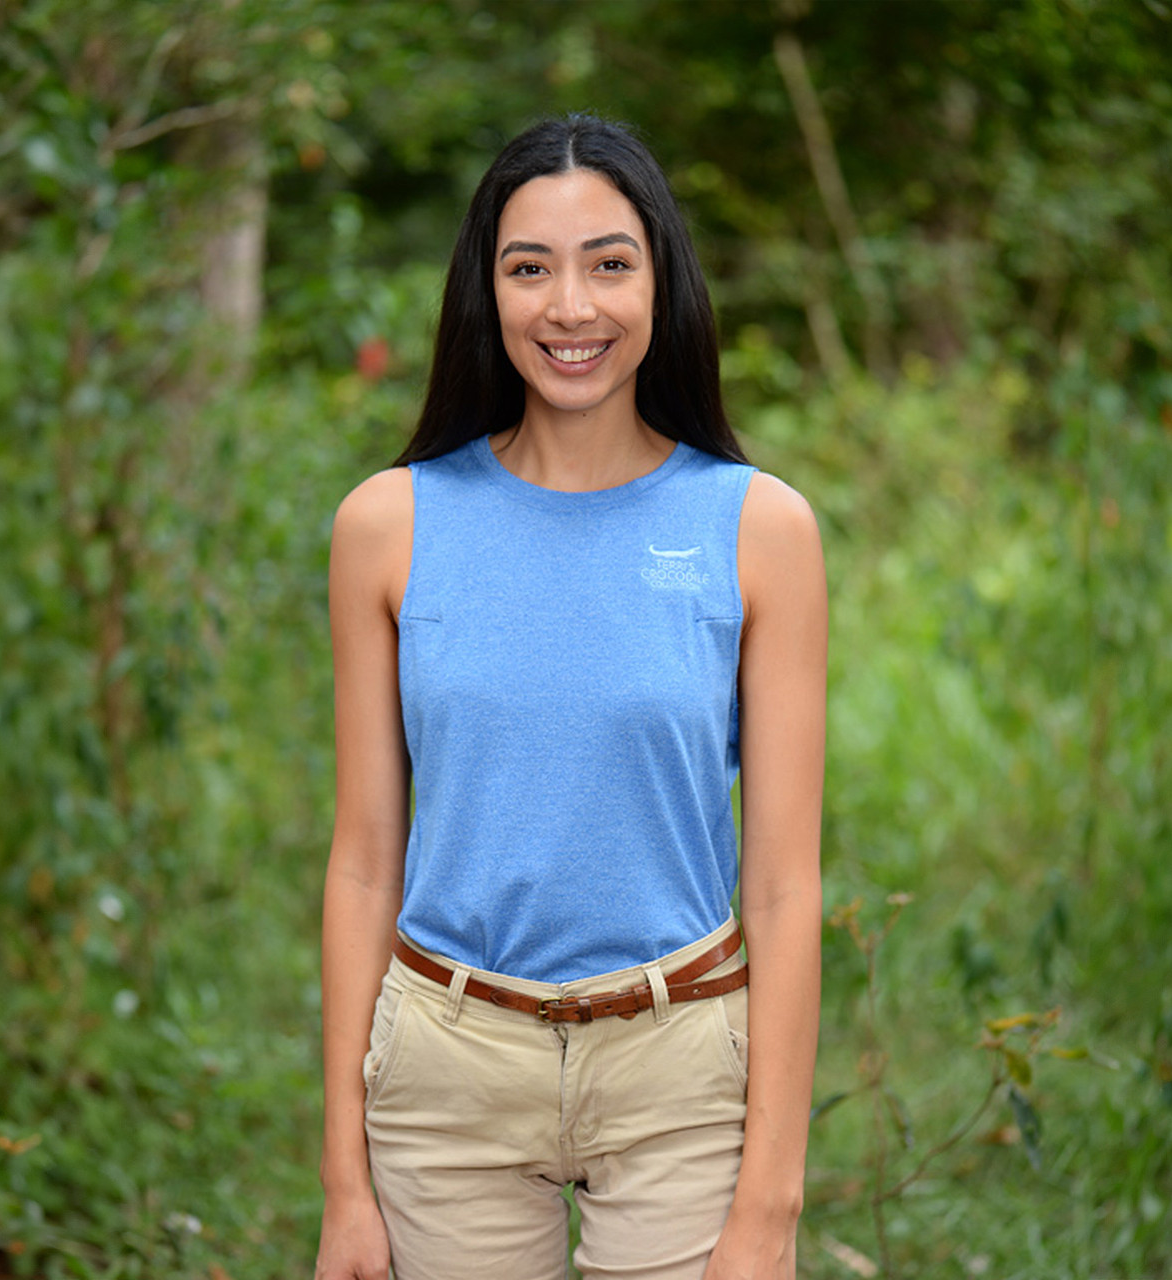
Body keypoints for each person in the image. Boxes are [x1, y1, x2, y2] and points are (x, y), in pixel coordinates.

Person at [314, 114, 826, 1280]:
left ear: (662, 282)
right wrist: (345, 1183)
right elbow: (359, 862)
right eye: (528, 267)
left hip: (681, 1067)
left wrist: (770, 1206)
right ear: (483, 291)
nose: (570, 307)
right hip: (446, 1075)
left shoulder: (758, 531)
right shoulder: (387, 527)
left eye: (608, 262)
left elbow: (785, 884)